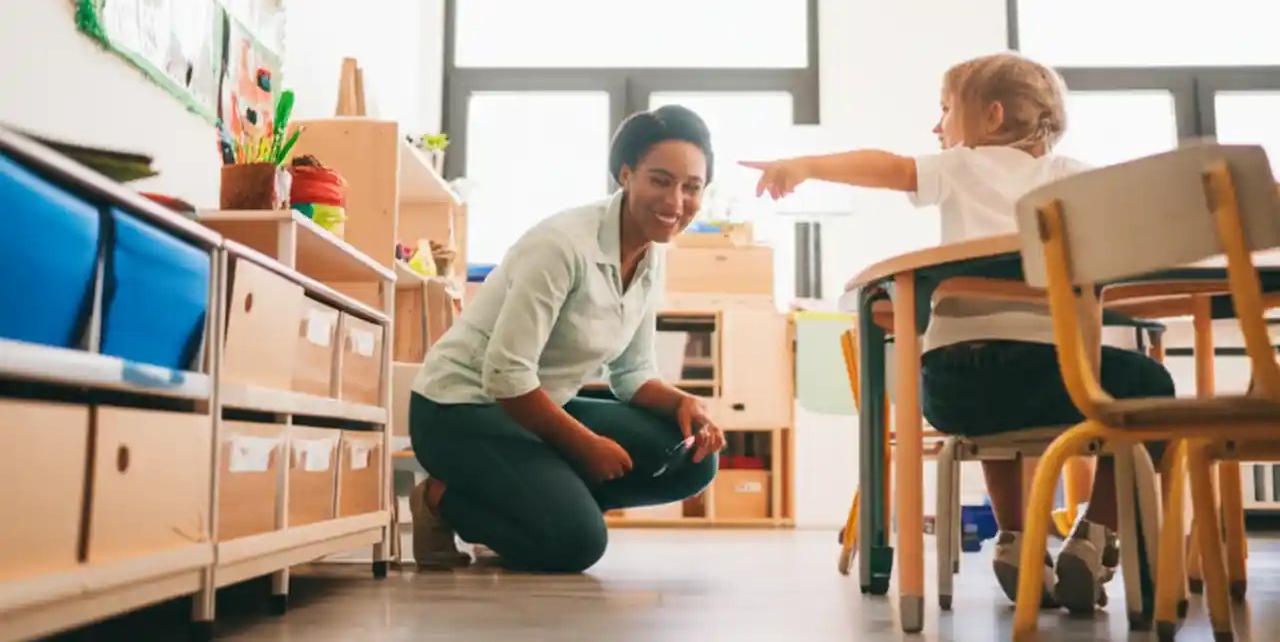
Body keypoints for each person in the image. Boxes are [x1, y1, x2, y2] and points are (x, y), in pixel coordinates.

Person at [741, 52, 1174, 614]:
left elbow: (888, 167)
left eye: (945, 110)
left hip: (952, 389)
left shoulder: (960, 165)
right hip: (1054, 378)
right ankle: (1095, 534)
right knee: (1148, 387)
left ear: (991, 118)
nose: (936, 126)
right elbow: (1139, 207)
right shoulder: (1069, 177)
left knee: (990, 394)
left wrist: (804, 165)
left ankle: (1015, 537)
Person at [408, 105, 726, 574]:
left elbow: (632, 374)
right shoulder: (561, 245)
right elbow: (506, 373)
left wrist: (683, 403)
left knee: (691, 461)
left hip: (536, 407)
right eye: (660, 180)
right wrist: (583, 445)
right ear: (626, 174)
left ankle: (539, 502)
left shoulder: (649, 253)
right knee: (577, 544)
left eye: (691, 187)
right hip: (459, 411)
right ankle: (440, 499)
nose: (676, 202)